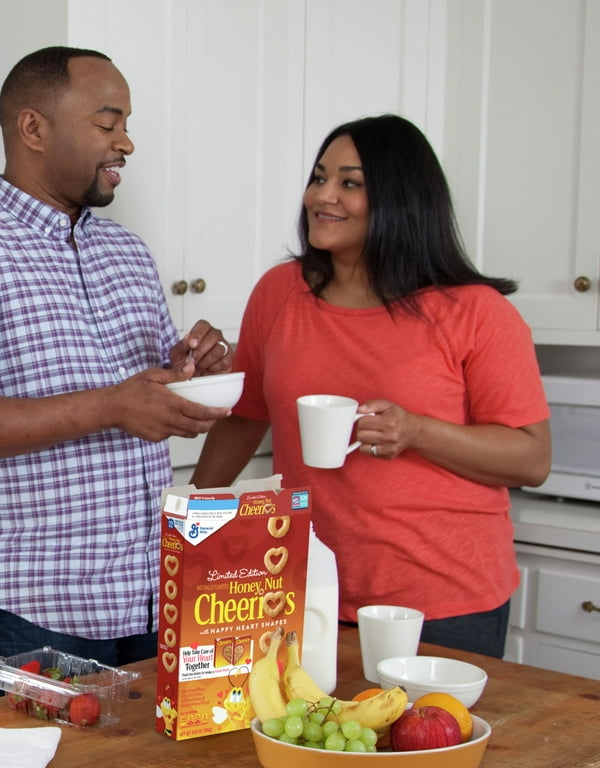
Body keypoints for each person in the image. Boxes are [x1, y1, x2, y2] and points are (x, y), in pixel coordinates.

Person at [0, 46, 235, 698]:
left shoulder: (127, 253)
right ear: (34, 129)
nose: (126, 142)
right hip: (30, 602)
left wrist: (187, 373)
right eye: (108, 124)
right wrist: (112, 404)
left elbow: (144, 395)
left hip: (140, 590)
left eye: (126, 124)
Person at [190, 114, 551, 658]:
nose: (323, 195)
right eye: (319, 177)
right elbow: (247, 415)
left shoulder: (476, 312)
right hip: (303, 589)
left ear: (400, 200)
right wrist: (191, 523)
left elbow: (531, 458)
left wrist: (418, 431)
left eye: (350, 183)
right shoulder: (279, 293)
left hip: (443, 601)